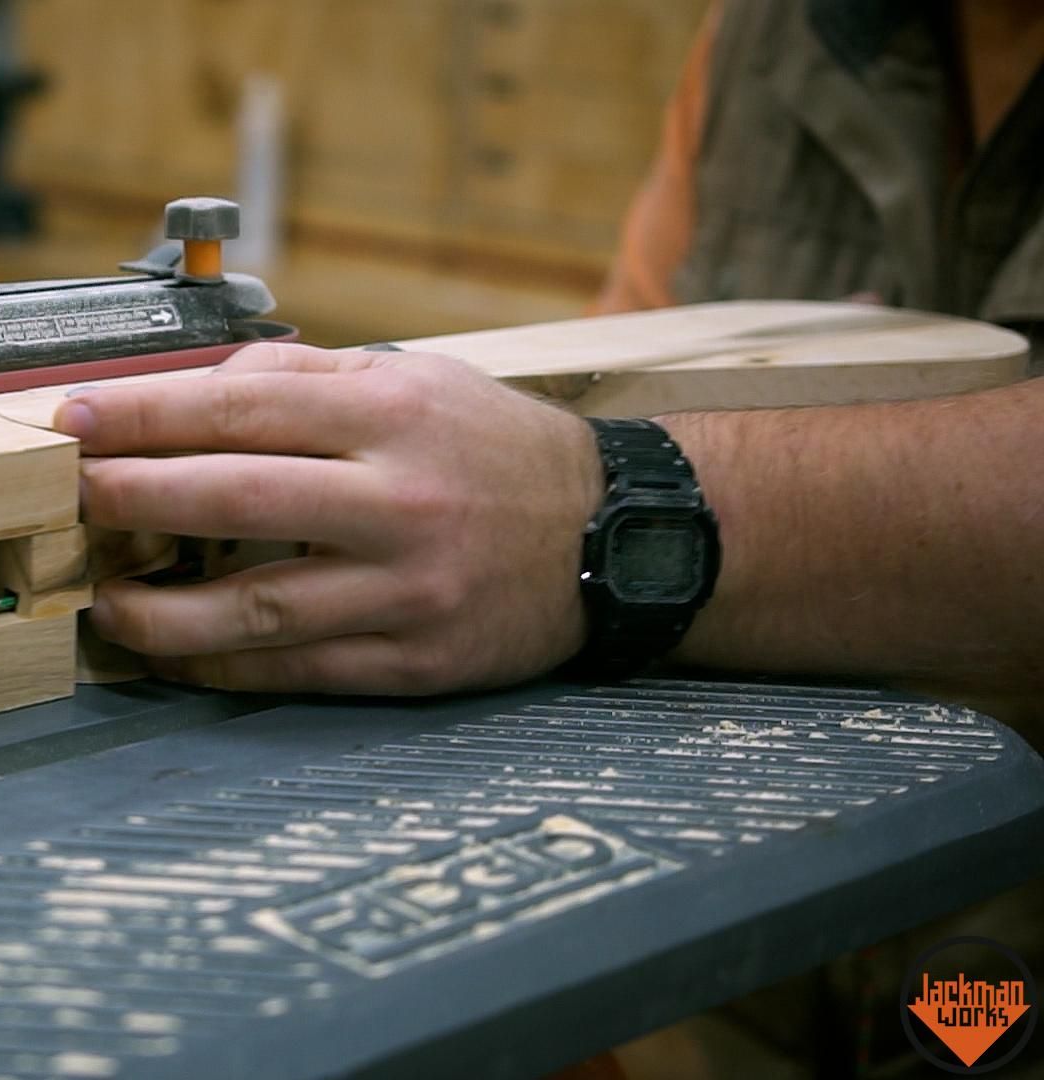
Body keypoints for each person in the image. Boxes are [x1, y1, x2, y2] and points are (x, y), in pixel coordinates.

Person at [54, 3, 1042, 1076]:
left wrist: (604, 504)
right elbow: (628, 370)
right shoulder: (778, 32)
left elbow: (582, 487)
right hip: (731, 945)